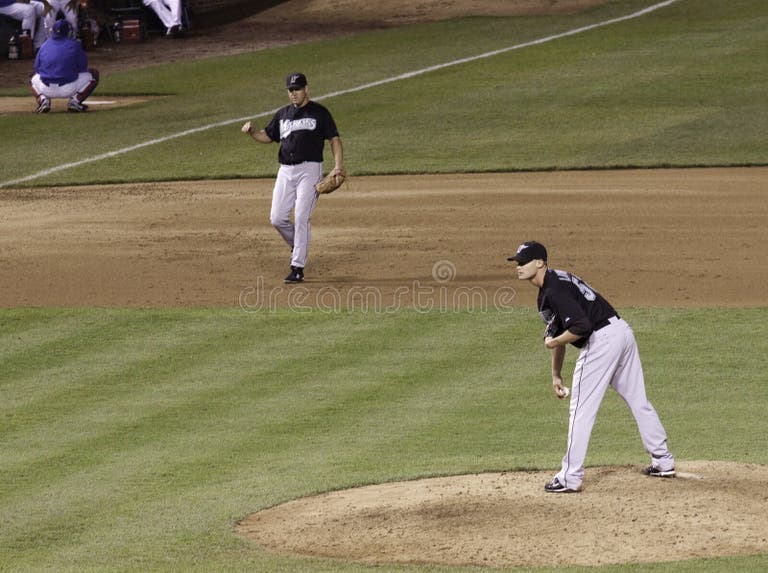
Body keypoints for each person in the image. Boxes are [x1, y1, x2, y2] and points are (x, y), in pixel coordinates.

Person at [508, 240, 675, 493]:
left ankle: (569, 477)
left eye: (523, 262)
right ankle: (663, 461)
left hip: (601, 341)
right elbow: (560, 334)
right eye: (517, 262)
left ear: (540, 262)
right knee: (638, 400)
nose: (518, 267)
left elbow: (580, 328)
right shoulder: (554, 283)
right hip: (621, 332)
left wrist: (554, 341)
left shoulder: (553, 291)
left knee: (580, 410)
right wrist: (556, 373)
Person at [241, 72, 345, 284]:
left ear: (307, 89)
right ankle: (297, 244)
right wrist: (252, 133)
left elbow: (334, 140)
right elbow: (268, 136)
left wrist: (338, 166)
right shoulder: (282, 115)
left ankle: (297, 267)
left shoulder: (320, 113)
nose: (293, 93)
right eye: (290, 90)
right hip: (285, 171)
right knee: (277, 218)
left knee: (301, 217)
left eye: (297, 89)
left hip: (310, 169)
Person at [30, 19, 99, 113]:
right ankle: (75, 101)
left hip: (46, 88)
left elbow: (37, 68)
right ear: (68, 31)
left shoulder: (44, 45)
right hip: (68, 88)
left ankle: (43, 100)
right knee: (94, 74)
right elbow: (83, 68)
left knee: (32, 77)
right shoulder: (75, 45)